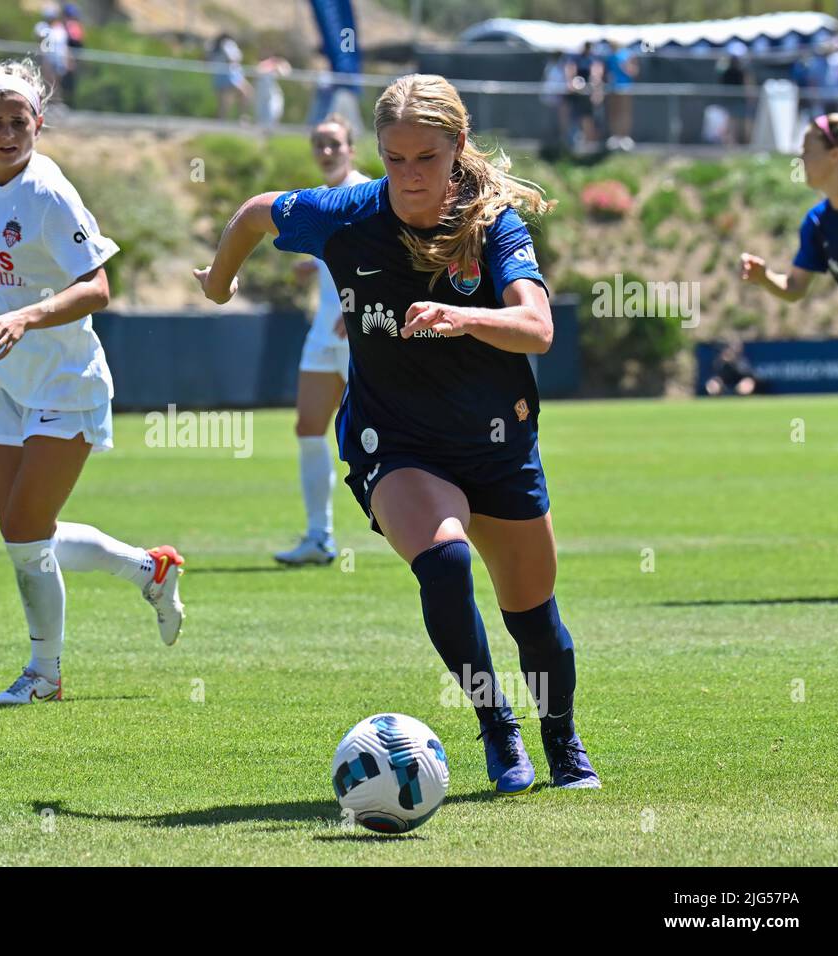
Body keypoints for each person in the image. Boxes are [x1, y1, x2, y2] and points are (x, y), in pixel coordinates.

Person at [194, 73, 602, 793]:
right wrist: (220, 282)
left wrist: (465, 317)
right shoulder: (347, 215)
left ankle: (561, 738)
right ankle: (496, 727)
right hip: (398, 444)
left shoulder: (493, 224)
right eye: (394, 159)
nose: (410, 177)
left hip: (498, 448)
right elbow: (258, 213)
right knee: (444, 564)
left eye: (427, 159)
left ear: (458, 148)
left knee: (534, 620)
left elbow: (537, 328)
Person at [0, 58, 185, 706]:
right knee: (20, 533)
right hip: (4, 374)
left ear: (37, 122)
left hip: (63, 378)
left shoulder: (49, 192)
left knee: (30, 532)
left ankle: (44, 674)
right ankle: (151, 570)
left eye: (19, 121)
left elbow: (98, 287)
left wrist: (26, 317)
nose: (8, 133)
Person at [276, 113, 369, 566]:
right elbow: (343, 256)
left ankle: (424, 527)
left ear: (352, 147)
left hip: (364, 334)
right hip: (324, 331)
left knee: (378, 434)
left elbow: (386, 263)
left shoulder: (366, 194)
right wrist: (314, 266)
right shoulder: (319, 200)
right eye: (319, 143)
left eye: (334, 143)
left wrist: (358, 313)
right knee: (309, 429)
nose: (326, 151)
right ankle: (319, 538)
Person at [742, 113, 838, 308]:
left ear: (835, 155)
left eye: (807, 151)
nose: (800, 160)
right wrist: (763, 276)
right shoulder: (818, 223)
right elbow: (795, 287)